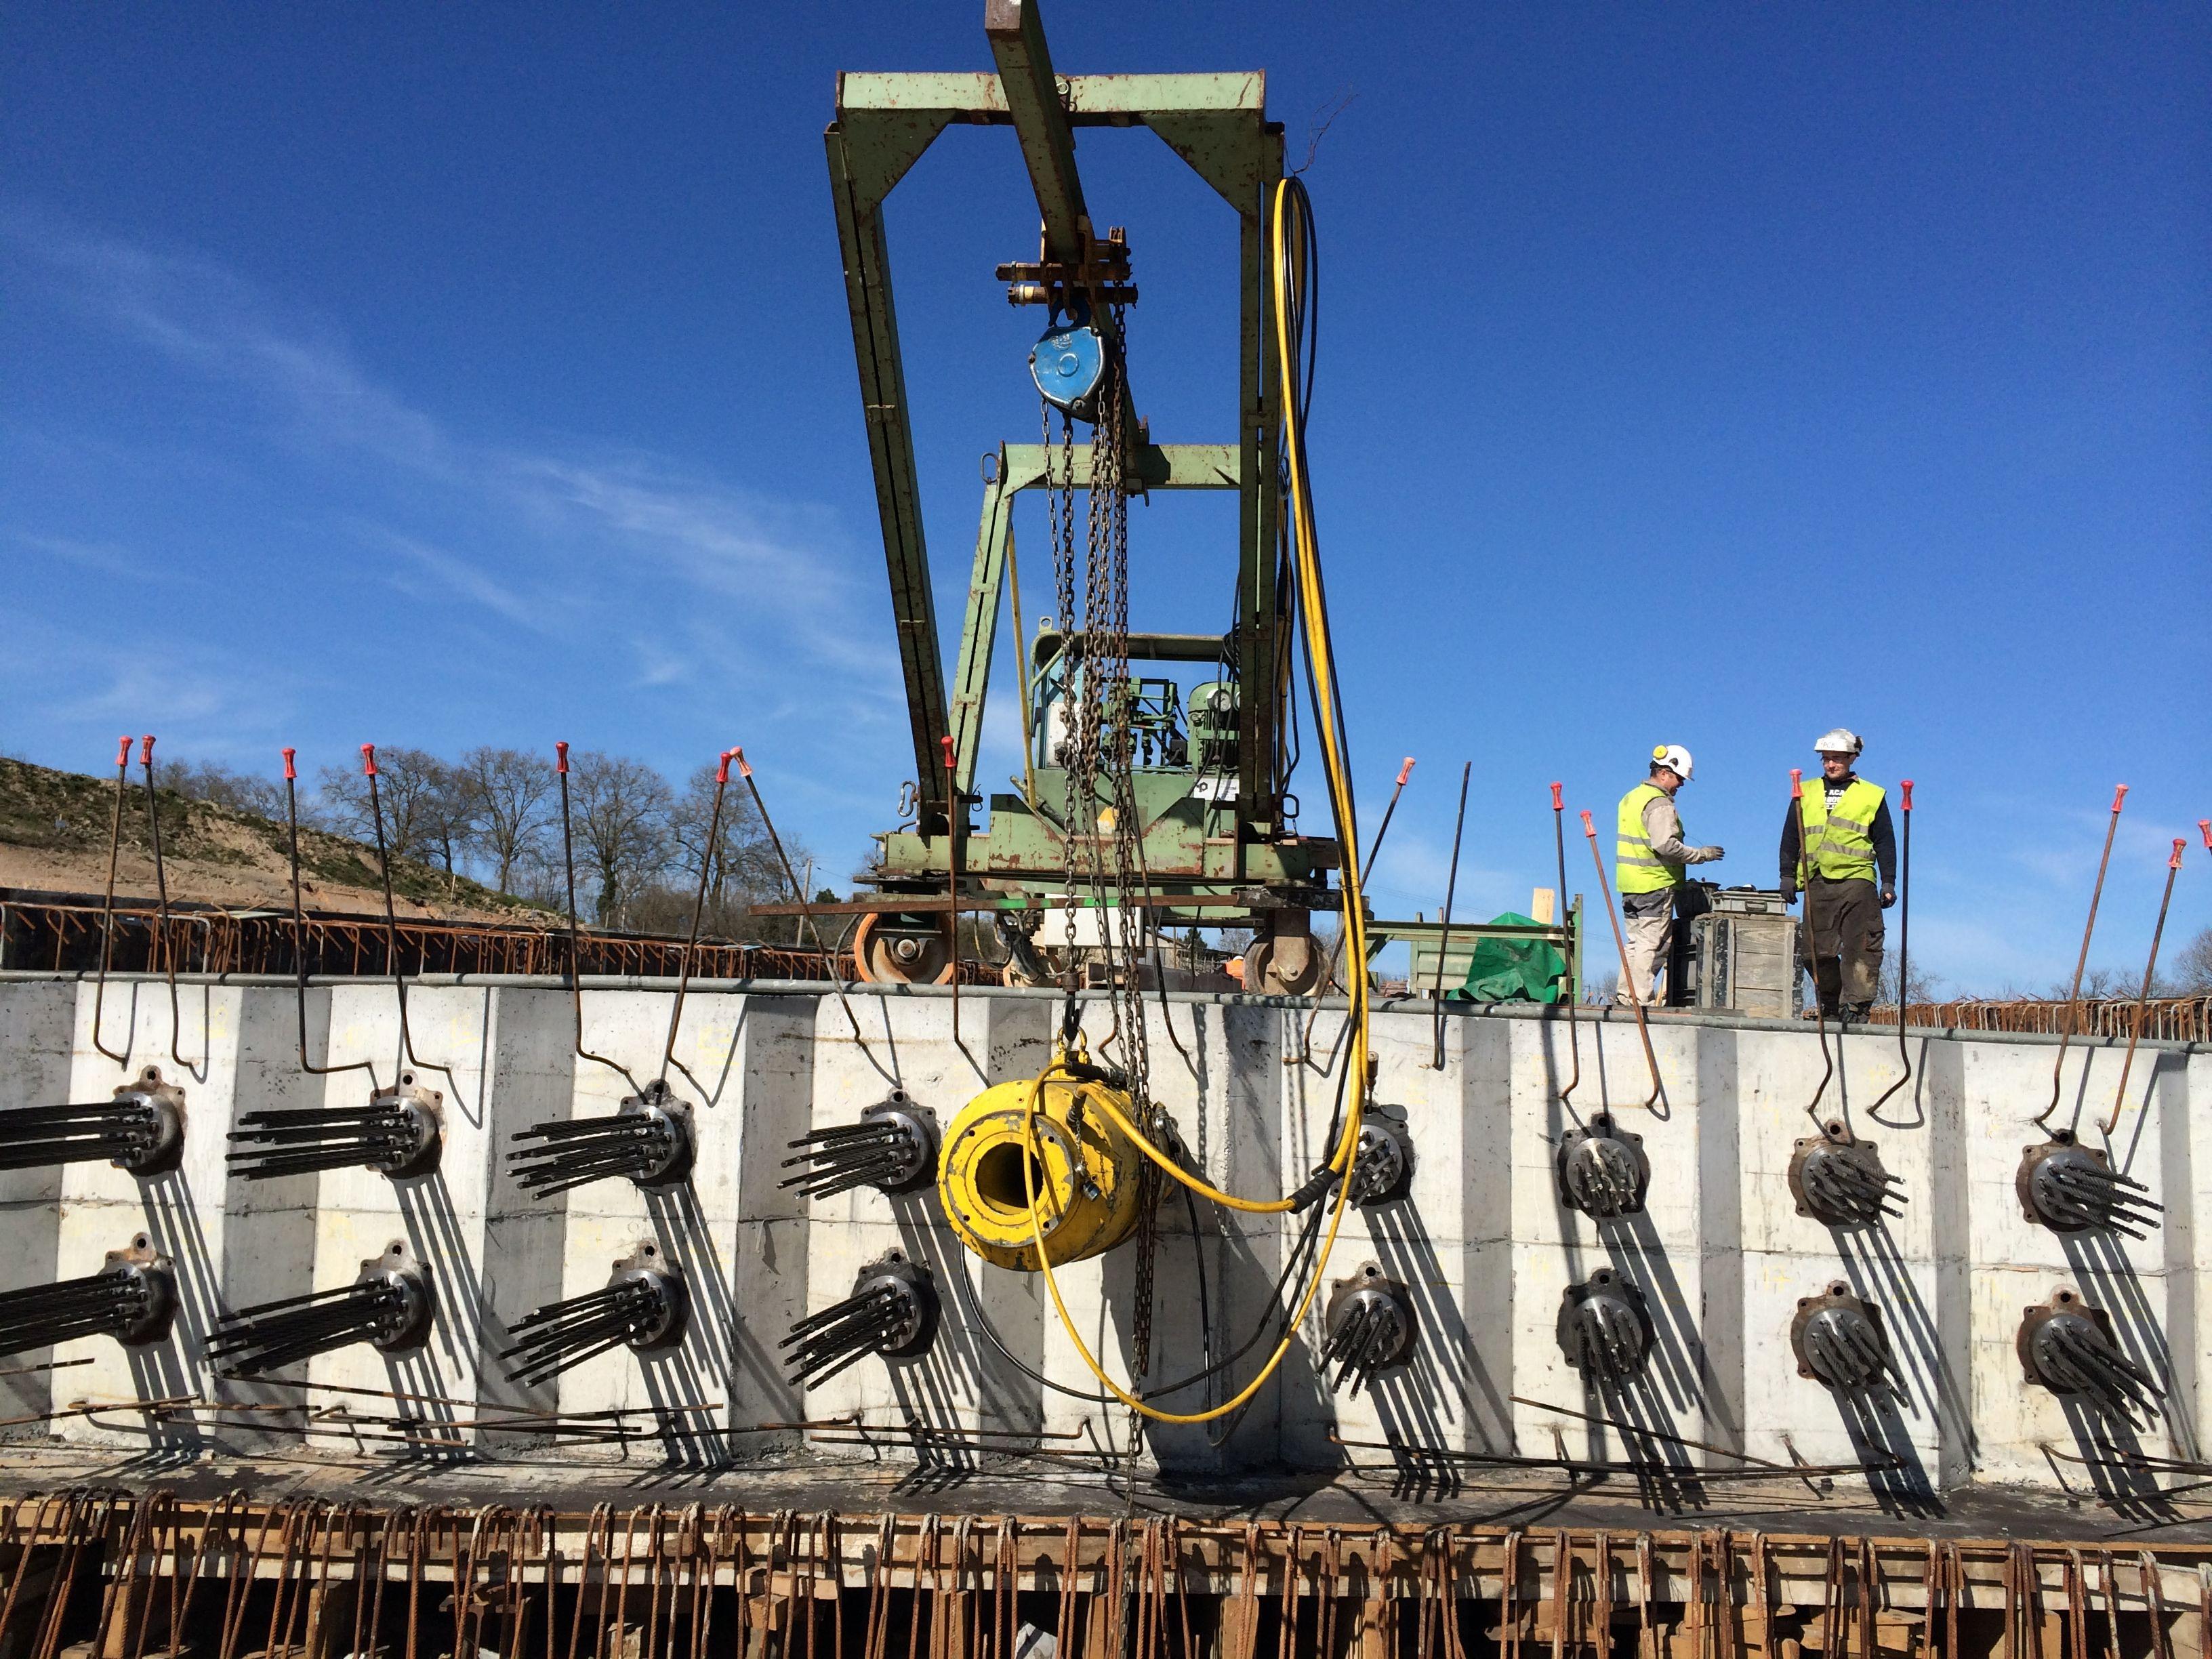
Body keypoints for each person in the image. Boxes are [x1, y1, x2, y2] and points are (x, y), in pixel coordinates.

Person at [1778, 728, 1896, 1021]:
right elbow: (1791, 836)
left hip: (1857, 881)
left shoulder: (1872, 795)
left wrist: (1889, 881)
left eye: (1837, 759)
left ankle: (1856, 1006)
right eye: (1826, 759)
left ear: (1852, 758)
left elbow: (1885, 841)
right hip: (1817, 881)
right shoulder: (1803, 792)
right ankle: (1831, 1002)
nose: (1831, 764)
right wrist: (1787, 875)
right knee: (1815, 953)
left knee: (1862, 947)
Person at [1614, 744, 1724, 1006]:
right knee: (1652, 943)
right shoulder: (1659, 803)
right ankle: (1640, 998)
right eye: (1679, 779)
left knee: (1635, 943)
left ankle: (1626, 994)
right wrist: (1701, 855)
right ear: (1664, 773)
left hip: (1631, 884)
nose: (1680, 786)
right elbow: (1665, 846)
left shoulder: (1631, 798)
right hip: (1656, 884)